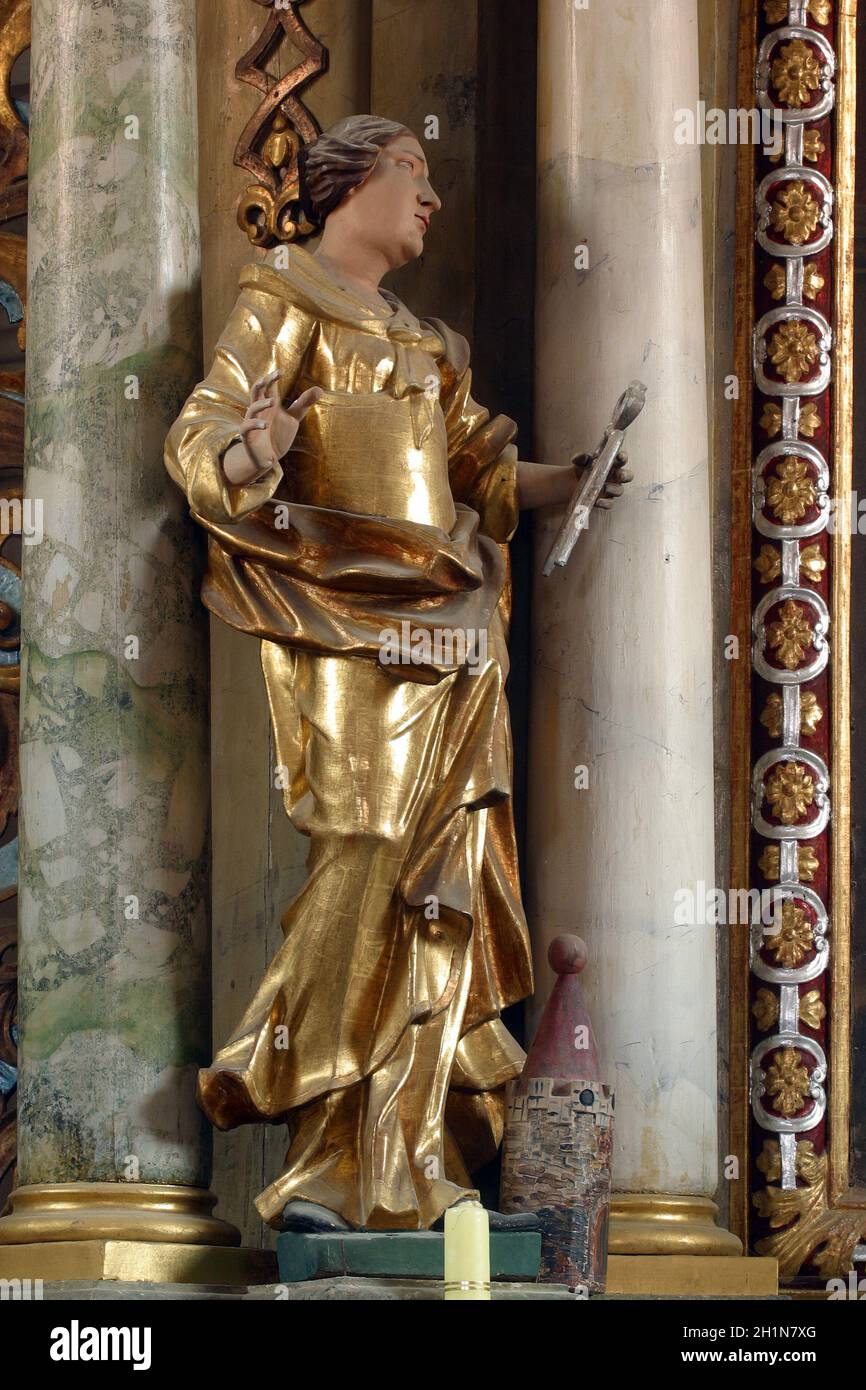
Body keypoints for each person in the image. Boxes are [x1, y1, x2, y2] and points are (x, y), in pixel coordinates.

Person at [164, 114, 630, 1233]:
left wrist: (573, 477)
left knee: (442, 885)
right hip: (342, 614)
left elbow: (479, 471)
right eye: (410, 173)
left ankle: (407, 1166)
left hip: (453, 632)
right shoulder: (283, 298)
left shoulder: (429, 344)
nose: (428, 197)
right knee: (365, 849)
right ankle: (321, 1149)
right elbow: (204, 433)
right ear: (344, 188)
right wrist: (252, 451)